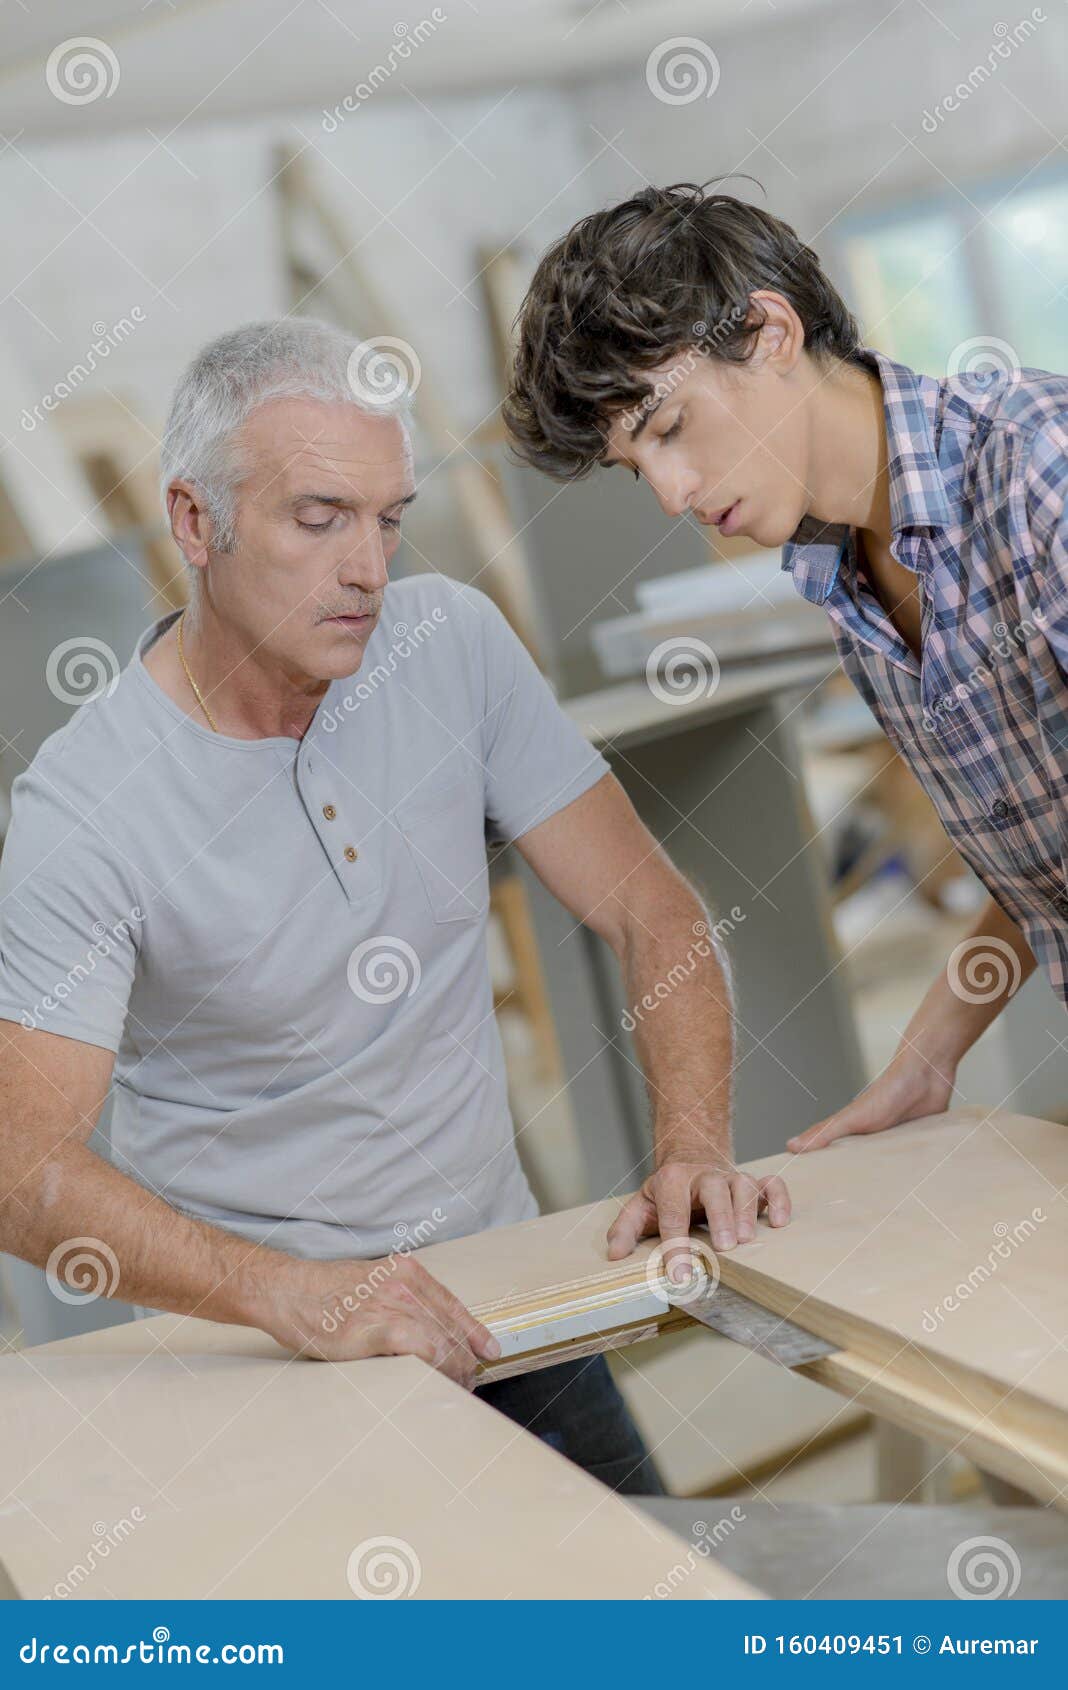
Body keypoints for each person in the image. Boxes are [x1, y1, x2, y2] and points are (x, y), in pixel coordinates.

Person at [0, 317, 789, 1495]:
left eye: (389, 518)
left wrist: (691, 1145)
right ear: (195, 521)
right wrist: (298, 1296)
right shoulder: (86, 806)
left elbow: (653, 915)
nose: (368, 566)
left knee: (655, 1617)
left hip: (498, 1295)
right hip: (258, 1353)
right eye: (318, 519)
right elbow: (18, 1162)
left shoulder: (450, 646)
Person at [504, 180, 1068, 1155]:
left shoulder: (1036, 467)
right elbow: (1045, 873)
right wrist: (928, 1056)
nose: (672, 494)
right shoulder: (843, 574)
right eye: (639, 469)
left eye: (671, 430)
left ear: (768, 331)